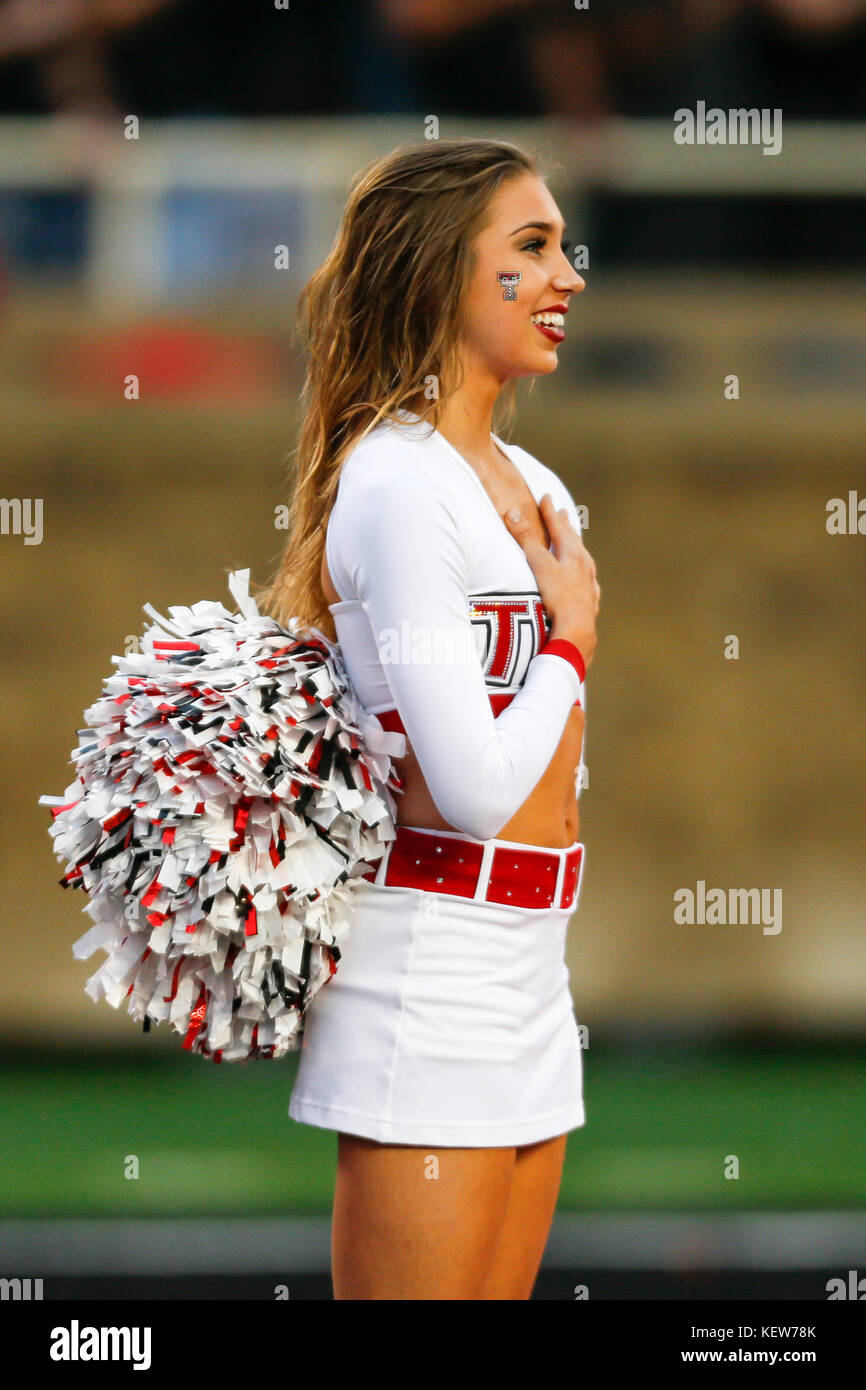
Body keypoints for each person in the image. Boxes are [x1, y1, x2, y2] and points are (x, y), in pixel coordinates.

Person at [257, 137, 601, 1300]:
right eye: (532, 248)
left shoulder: (535, 481)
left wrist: (558, 644)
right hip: (429, 972)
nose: (568, 276)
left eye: (563, 246)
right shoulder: (397, 483)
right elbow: (473, 787)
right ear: (441, 273)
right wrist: (568, 641)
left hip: (530, 966)